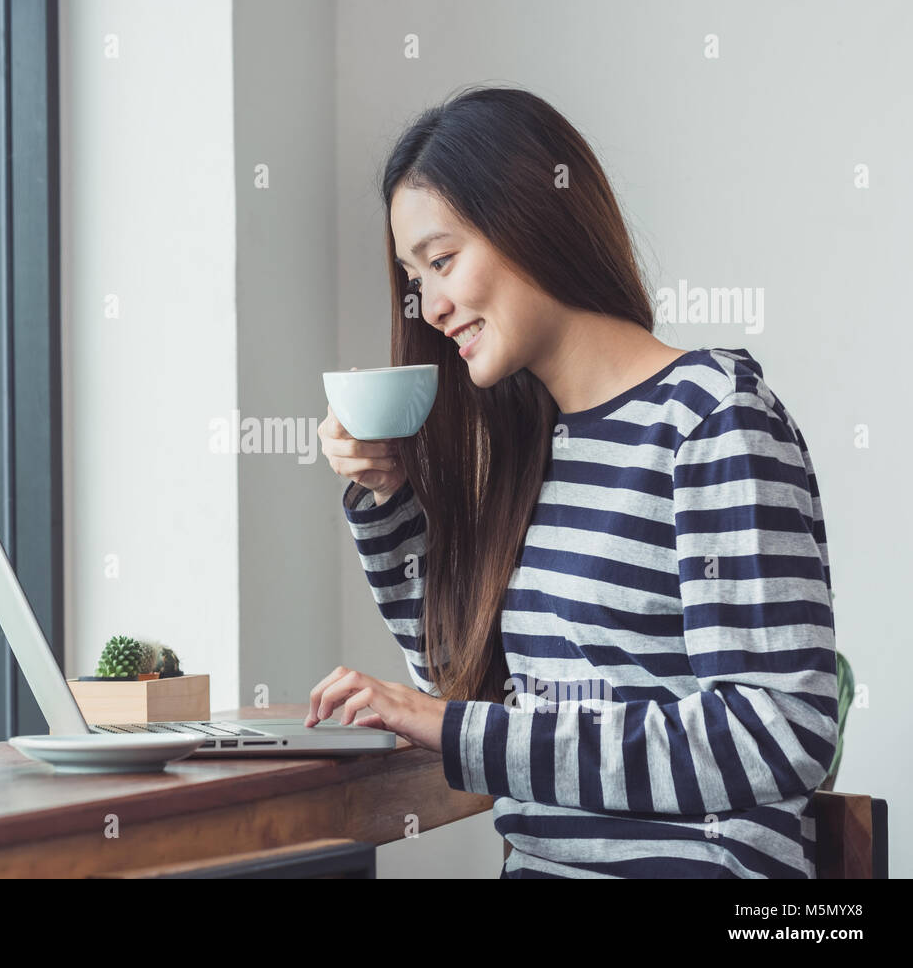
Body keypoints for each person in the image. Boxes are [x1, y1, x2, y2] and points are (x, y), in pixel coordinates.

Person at [306, 86, 838, 878]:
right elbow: (464, 685)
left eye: (443, 259)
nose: (434, 305)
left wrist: (454, 727)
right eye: (416, 278)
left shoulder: (711, 417)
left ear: (530, 214)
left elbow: (781, 728)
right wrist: (388, 500)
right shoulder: (534, 449)